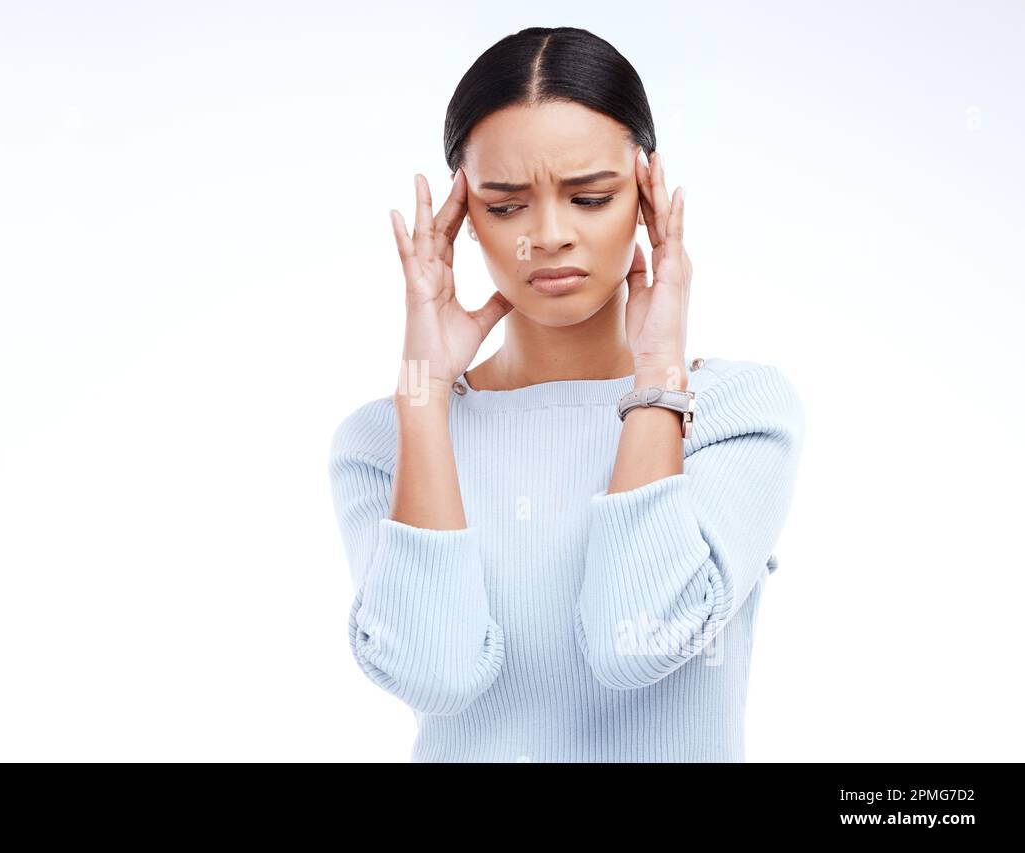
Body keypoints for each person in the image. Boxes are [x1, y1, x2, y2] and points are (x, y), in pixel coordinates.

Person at [328, 26, 806, 762]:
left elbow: (635, 640)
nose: (547, 236)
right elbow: (436, 671)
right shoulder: (383, 442)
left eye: (589, 196)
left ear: (646, 197)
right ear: (462, 218)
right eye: (507, 205)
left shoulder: (735, 415)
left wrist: (657, 378)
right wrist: (425, 408)